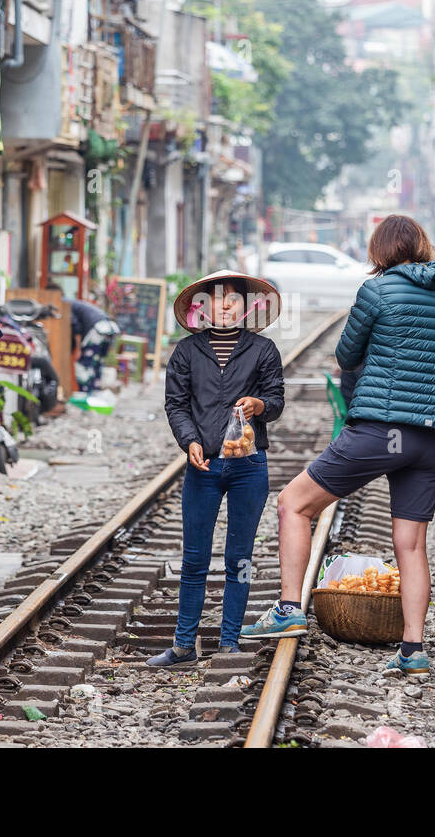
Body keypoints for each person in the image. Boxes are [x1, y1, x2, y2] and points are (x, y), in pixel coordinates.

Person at [242, 215, 435, 675]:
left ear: (379, 251)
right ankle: (412, 649)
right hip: (432, 437)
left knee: (294, 504)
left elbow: (346, 355)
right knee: (411, 546)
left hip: (382, 430)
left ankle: (289, 610)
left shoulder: (376, 291)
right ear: (422, 245)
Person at [148, 270, 285, 665]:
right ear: (202, 307)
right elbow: (175, 404)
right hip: (203, 467)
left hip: (249, 466)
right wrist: (189, 440)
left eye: (233, 299)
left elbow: (275, 400)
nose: (224, 305)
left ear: (247, 306)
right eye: (215, 298)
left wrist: (258, 405)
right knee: (194, 558)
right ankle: (183, 645)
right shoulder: (187, 352)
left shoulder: (263, 350)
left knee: (239, 557)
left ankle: (229, 642)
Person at [47, 284, 121, 396]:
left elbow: (76, 326)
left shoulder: (62, 303)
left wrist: (77, 349)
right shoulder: (74, 302)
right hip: (108, 328)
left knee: (84, 366)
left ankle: (85, 395)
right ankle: (95, 396)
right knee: (97, 365)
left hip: (96, 331)